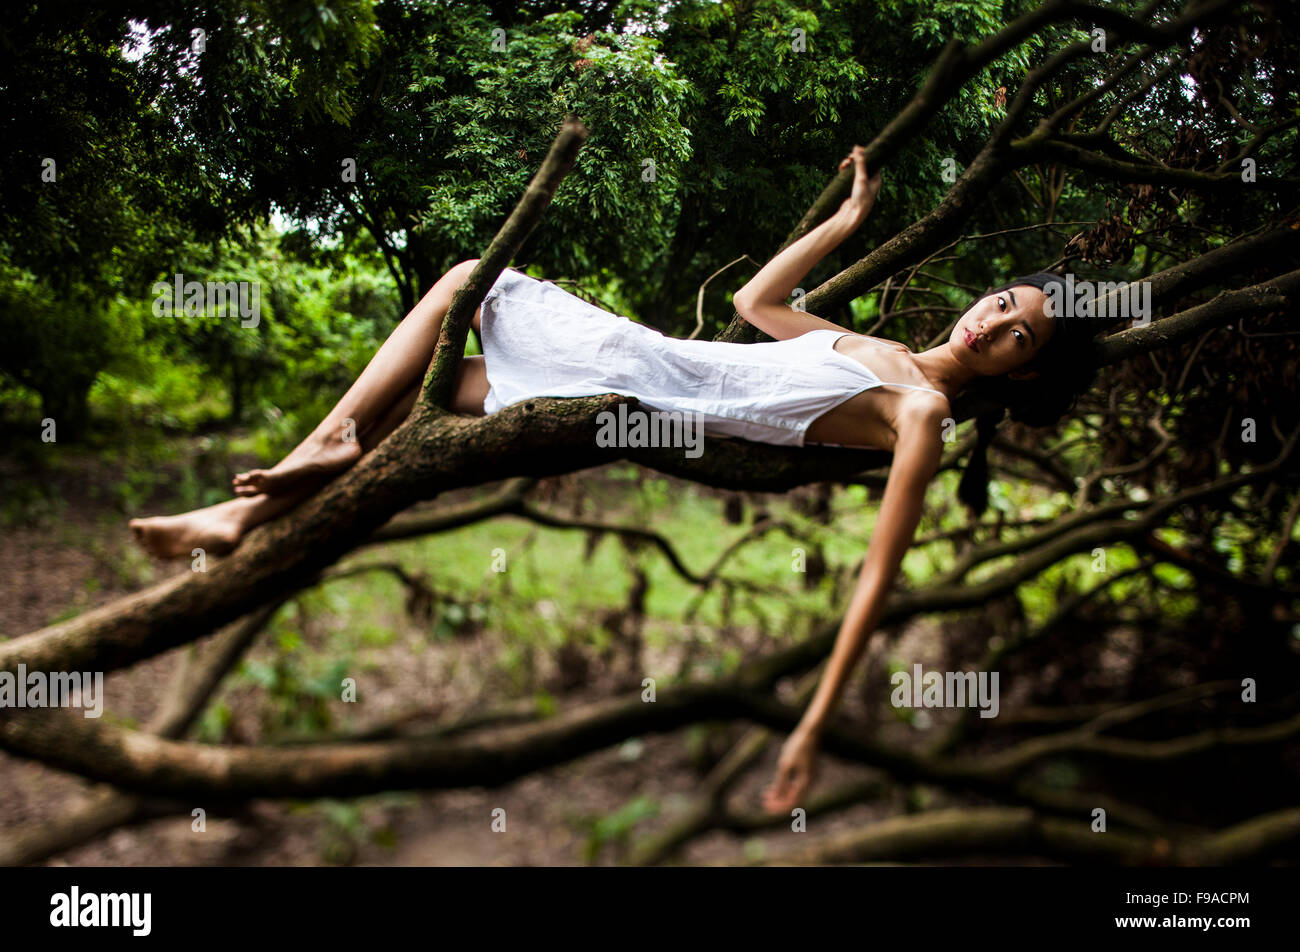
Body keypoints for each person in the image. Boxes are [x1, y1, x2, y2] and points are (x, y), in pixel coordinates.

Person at [129, 146, 1097, 812]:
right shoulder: (886, 346)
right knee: (442, 388)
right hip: (651, 358)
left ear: (1024, 371)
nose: (996, 323)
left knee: (475, 279)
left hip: (641, 381)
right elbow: (753, 302)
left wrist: (808, 723)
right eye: (1005, 301)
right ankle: (244, 516)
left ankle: (321, 448)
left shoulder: (919, 415)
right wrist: (843, 221)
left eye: (1022, 337)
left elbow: (878, 578)